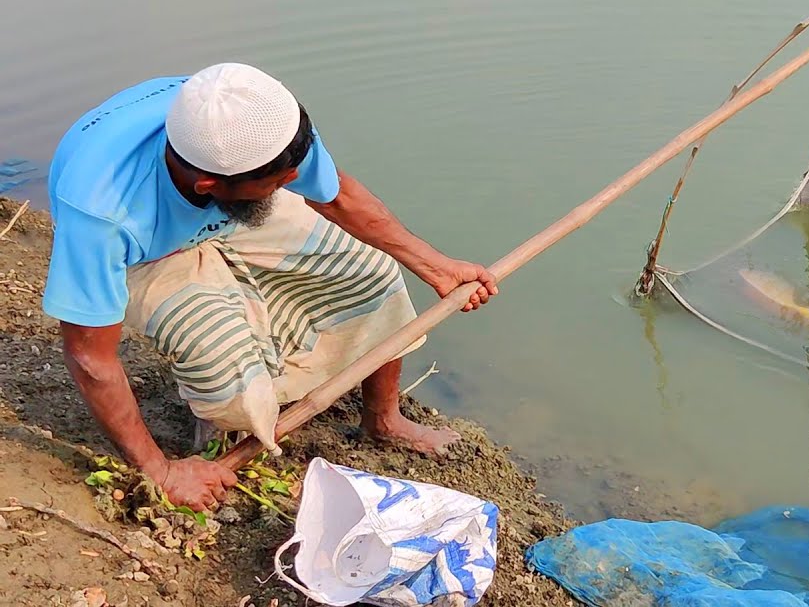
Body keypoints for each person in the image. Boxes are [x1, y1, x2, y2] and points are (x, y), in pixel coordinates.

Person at [42, 63, 498, 512]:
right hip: (149, 249)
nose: (295, 182)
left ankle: (383, 418)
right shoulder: (100, 214)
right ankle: (226, 422)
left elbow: (337, 196)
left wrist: (435, 266)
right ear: (209, 183)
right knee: (226, 372)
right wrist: (159, 470)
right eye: (280, 182)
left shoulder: (260, 122)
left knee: (370, 272)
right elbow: (90, 356)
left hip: (236, 203)